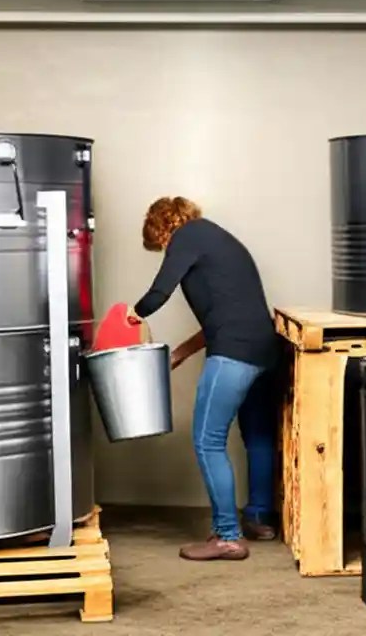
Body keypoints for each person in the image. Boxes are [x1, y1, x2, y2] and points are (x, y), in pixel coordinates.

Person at [128, 196, 280, 561]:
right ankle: (259, 518)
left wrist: (131, 315)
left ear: (164, 229)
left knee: (207, 440)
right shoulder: (216, 239)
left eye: (161, 244)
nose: (165, 250)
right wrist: (179, 354)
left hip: (234, 352)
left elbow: (159, 292)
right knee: (258, 435)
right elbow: (225, 314)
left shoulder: (188, 236)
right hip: (264, 349)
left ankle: (227, 536)